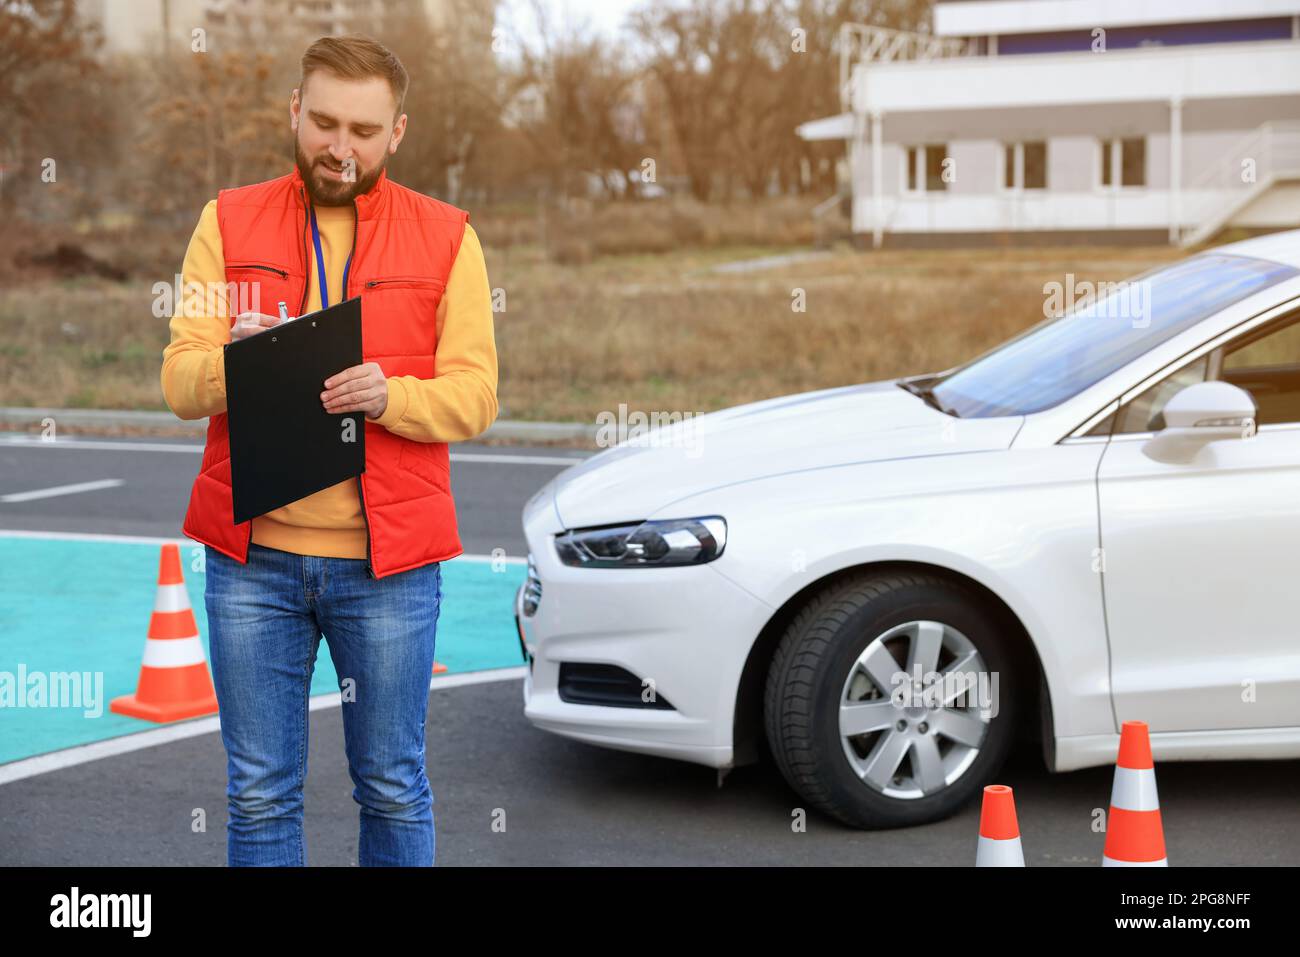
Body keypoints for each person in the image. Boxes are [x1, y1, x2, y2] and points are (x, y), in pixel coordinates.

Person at [160, 34, 498, 866]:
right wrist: (239, 367)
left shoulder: (448, 236)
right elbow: (178, 382)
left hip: (389, 572)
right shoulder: (225, 220)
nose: (339, 147)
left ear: (398, 132)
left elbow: (477, 396)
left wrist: (393, 395)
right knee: (259, 793)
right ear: (294, 111)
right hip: (252, 566)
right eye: (323, 123)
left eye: (363, 130)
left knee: (391, 785)